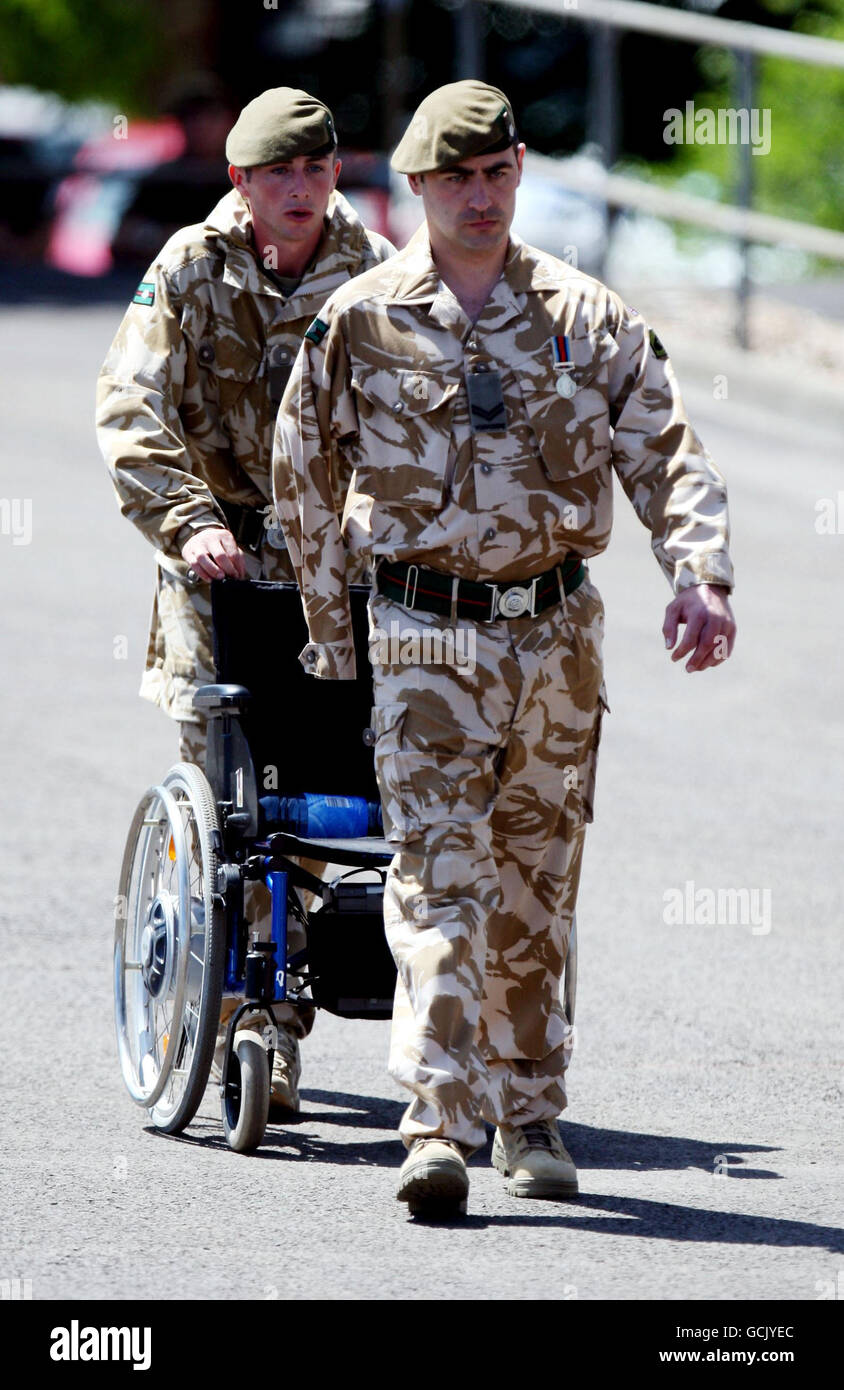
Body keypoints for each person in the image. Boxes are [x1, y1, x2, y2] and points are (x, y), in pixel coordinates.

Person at [271, 79, 736, 1213]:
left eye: (496, 175)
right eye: (454, 181)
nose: (479, 199)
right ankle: (435, 1123)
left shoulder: (587, 317)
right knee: (438, 880)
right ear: (416, 187)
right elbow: (302, 473)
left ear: (518, 172)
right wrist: (336, 637)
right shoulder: (362, 321)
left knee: (537, 882)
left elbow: (665, 452)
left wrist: (700, 573)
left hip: (557, 639)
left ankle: (529, 1113)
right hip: (426, 635)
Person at [96, 87, 396, 1117]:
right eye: (279, 173)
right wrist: (188, 521)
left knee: (318, 804)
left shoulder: (380, 272)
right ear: (242, 182)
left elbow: (417, 418)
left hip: (331, 574)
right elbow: (130, 405)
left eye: (315, 169)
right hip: (216, 563)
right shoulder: (188, 265)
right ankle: (236, 1012)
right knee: (228, 795)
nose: (300, 189)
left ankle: (282, 1013)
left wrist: (373, 526)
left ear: (336, 174)